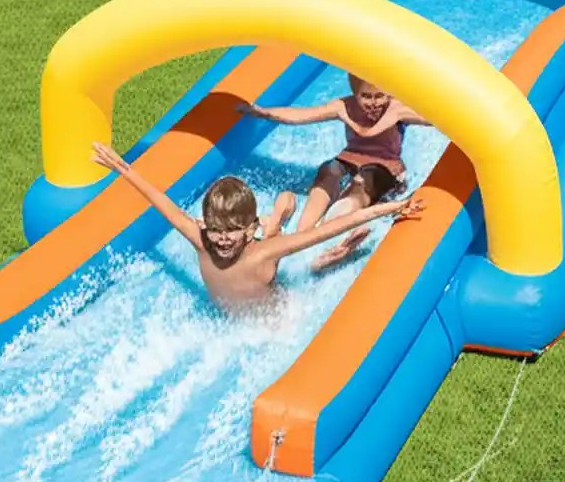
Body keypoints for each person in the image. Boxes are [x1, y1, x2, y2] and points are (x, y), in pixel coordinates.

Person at [90, 142, 423, 310]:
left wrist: (393, 208)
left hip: (278, 317)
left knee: (313, 259)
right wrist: (123, 168)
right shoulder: (200, 239)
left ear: (249, 232)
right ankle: (278, 215)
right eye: (216, 229)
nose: (221, 239)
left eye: (231, 231)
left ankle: (330, 246)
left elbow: (325, 231)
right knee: (295, 249)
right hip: (261, 266)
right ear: (205, 224)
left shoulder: (262, 252)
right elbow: (164, 206)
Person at [238, 74, 430, 270]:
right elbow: (302, 115)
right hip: (350, 157)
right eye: (366, 96)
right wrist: (263, 113)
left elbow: (435, 118)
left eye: (380, 96)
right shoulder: (345, 106)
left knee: (362, 181)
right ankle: (301, 235)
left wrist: (398, 115)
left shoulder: (397, 108)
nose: (374, 103)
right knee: (329, 170)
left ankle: (325, 239)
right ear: (355, 94)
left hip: (385, 168)